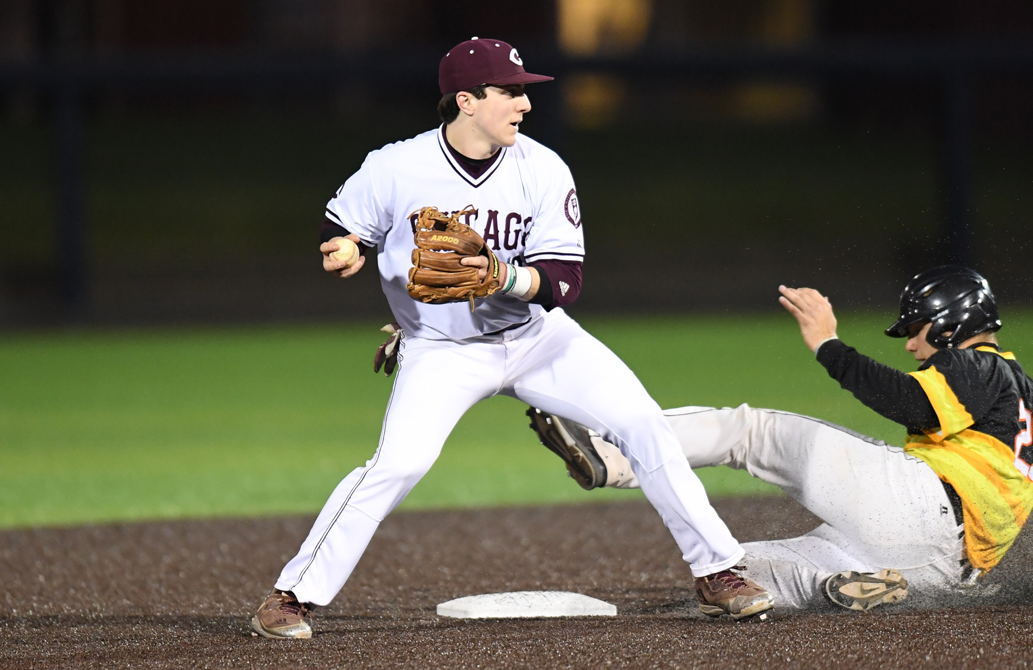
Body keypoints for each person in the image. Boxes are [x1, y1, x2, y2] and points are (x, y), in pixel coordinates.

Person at [249, 37, 774, 639]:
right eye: (511, 93)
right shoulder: (395, 165)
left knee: (643, 424)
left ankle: (719, 572)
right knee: (398, 463)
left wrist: (502, 275)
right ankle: (292, 594)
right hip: (441, 349)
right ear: (466, 101)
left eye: (525, 92)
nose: (524, 105)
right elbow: (345, 226)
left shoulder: (543, 167)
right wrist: (346, 248)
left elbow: (565, 283)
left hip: (538, 340)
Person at [526, 266, 1033, 611]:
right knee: (734, 569)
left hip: (922, 505)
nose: (912, 342)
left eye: (919, 328)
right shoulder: (1020, 394)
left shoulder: (981, 365)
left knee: (751, 431)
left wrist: (828, 345)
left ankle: (609, 450)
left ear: (952, 323)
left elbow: (911, 404)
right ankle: (837, 585)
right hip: (942, 569)